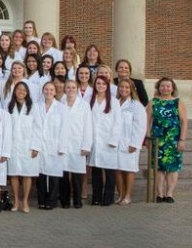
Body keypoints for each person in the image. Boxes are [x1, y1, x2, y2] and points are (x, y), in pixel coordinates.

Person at [147, 77, 187, 203]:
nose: (165, 88)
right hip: (157, 140)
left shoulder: (178, 102)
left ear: (172, 88)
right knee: (159, 168)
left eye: (168, 86)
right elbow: (147, 121)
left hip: (173, 140)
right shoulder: (153, 102)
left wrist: (182, 140)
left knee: (172, 168)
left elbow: (184, 121)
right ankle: (159, 194)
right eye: (163, 86)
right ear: (158, 87)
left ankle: (169, 194)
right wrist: (148, 137)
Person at [31, 81, 65, 210]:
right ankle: (42, 200)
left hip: (54, 145)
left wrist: (62, 147)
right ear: (43, 91)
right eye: (46, 89)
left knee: (54, 175)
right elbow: (33, 127)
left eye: (51, 90)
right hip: (39, 144)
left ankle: (51, 201)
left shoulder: (61, 108)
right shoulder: (36, 106)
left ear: (55, 92)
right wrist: (34, 146)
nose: (48, 92)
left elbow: (64, 128)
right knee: (40, 175)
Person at [89, 75, 122, 206]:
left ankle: (108, 198)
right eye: (98, 83)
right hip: (94, 141)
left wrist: (113, 140)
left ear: (107, 86)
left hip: (108, 141)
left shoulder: (113, 101)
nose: (100, 86)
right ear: (95, 85)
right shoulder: (90, 101)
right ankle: (96, 198)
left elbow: (117, 123)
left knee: (109, 172)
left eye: (103, 84)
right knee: (96, 172)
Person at [59, 79, 93, 209]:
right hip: (62, 143)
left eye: (73, 87)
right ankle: (65, 201)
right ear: (64, 89)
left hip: (78, 143)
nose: (71, 90)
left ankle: (77, 200)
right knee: (63, 174)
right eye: (68, 87)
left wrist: (86, 145)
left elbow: (88, 126)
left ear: (77, 89)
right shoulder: (60, 104)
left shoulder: (84, 105)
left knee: (77, 175)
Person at [6, 82, 37, 213]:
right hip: (12, 145)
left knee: (27, 173)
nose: (21, 91)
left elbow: (37, 128)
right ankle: (16, 201)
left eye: (24, 90)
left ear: (27, 92)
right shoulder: (9, 106)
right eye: (18, 89)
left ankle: (25, 201)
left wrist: (36, 146)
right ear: (14, 91)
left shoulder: (33, 107)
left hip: (27, 145)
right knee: (13, 173)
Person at [115, 79, 146, 205]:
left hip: (129, 142)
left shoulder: (136, 105)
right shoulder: (114, 103)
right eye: (121, 87)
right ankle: (120, 194)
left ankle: (128, 195)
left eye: (127, 87)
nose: (124, 89)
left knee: (128, 169)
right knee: (117, 169)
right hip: (115, 143)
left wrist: (135, 143)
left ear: (132, 89)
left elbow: (141, 126)